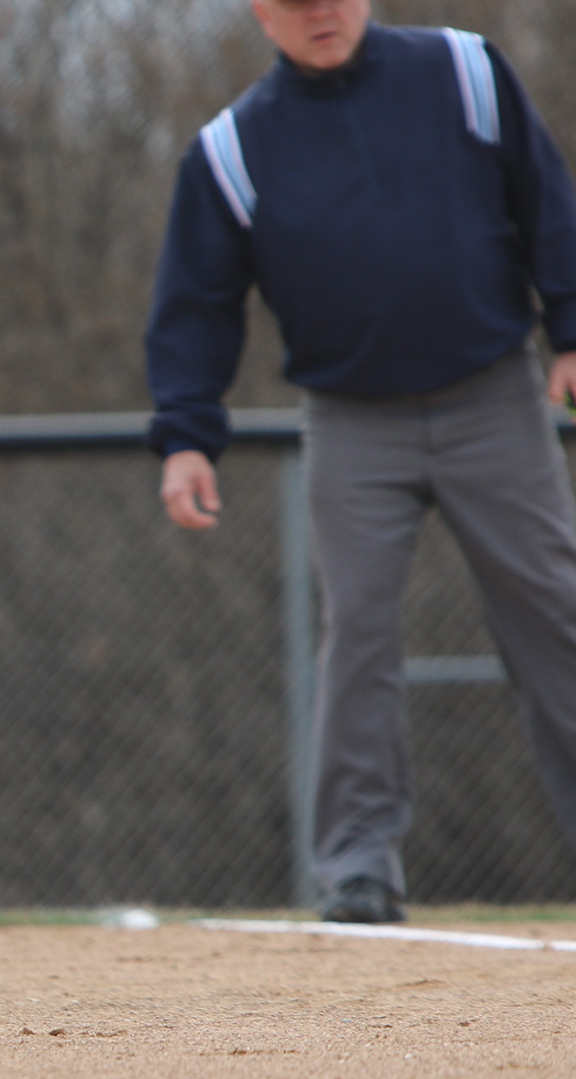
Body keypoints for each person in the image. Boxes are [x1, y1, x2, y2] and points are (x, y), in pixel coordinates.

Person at [146, 0, 576, 922]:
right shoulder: (231, 146)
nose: (320, 13)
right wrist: (188, 435)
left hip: (493, 395)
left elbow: (547, 197)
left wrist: (572, 324)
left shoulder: (463, 70)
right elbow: (197, 302)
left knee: (555, 610)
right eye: (294, 0)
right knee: (360, 635)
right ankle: (359, 867)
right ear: (261, 11)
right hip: (351, 423)